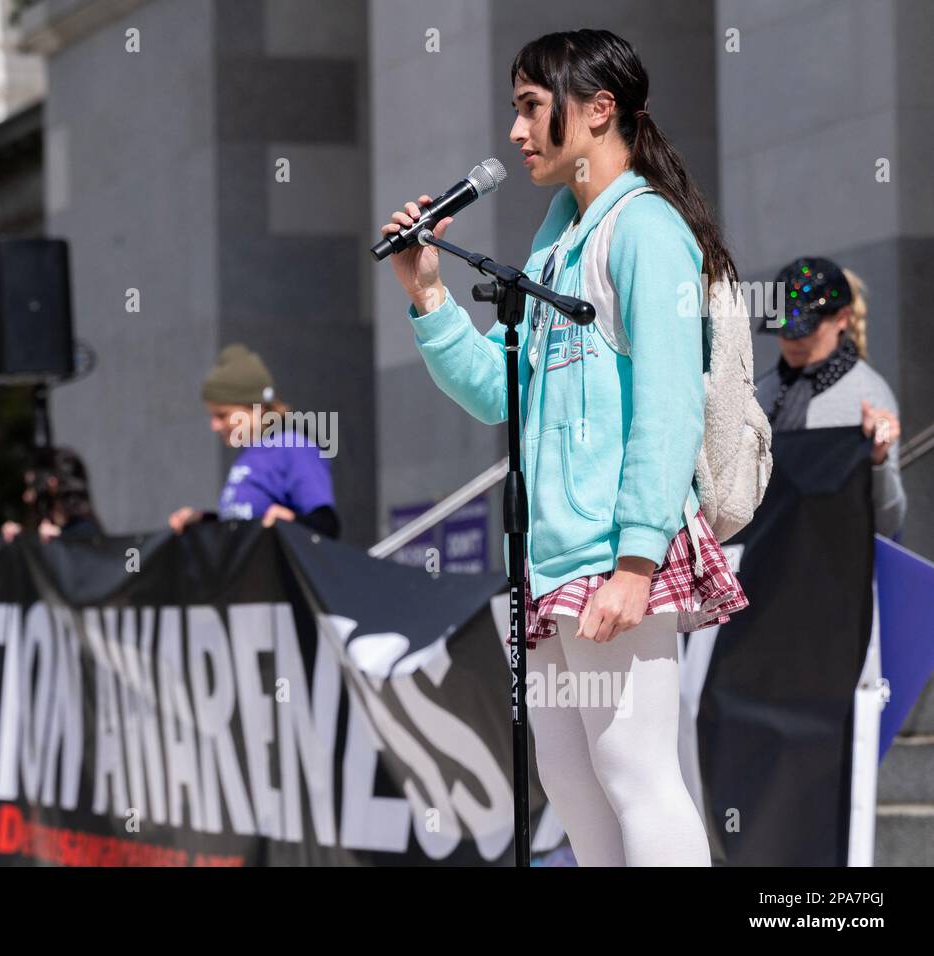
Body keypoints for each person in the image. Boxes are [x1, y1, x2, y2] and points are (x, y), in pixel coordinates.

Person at [379, 29, 749, 866]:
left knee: (637, 775)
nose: (515, 132)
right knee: (574, 782)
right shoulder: (556, 246)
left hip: (614, 555)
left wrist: (636, 562)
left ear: (598, 110)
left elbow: (668, 408)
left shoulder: (645, 229)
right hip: (553, 561)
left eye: (530, 108)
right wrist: (429, 293)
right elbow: (499, 391)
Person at [756, 257, 906, 538]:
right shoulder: (762, 392)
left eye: (804, 329)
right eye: (782, 327)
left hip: (836, 553)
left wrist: (879, 459)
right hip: (769, 553)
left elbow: (887, 522)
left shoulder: (869, 396)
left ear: (842, 319)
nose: (791, 340)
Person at [168, 344, 340, 539]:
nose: (214, 425)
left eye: (222, 415)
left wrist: (291, 523)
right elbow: (246, 526)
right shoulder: (250, 453)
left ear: (257, 408)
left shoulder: (293, 446)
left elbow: (327, 525)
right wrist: (204, 522)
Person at [1, 447, 104, 543]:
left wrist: (61, 537)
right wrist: (20, 536)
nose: (26, 497)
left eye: (32, 486)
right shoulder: (46, 524)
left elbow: (90, 548)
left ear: (52, 483)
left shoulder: (86, 529)